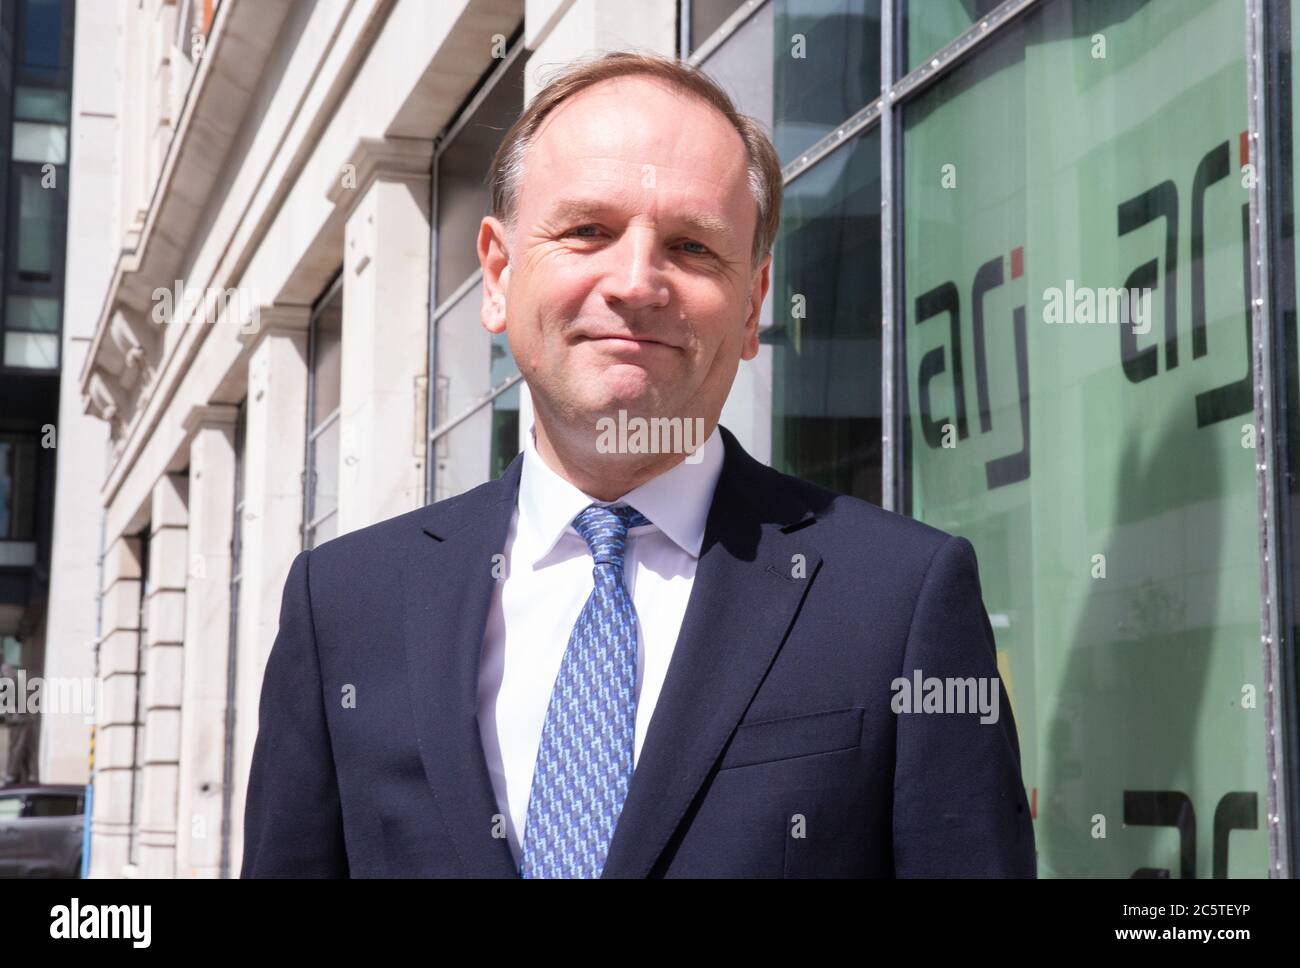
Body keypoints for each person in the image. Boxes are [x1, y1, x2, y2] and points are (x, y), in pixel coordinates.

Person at [242, 51, 1036, 878]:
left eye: (693, 247)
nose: (636, 283)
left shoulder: (899, 597)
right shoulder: (343, 607)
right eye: (588, 230)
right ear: (498, 273)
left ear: (755, 302)